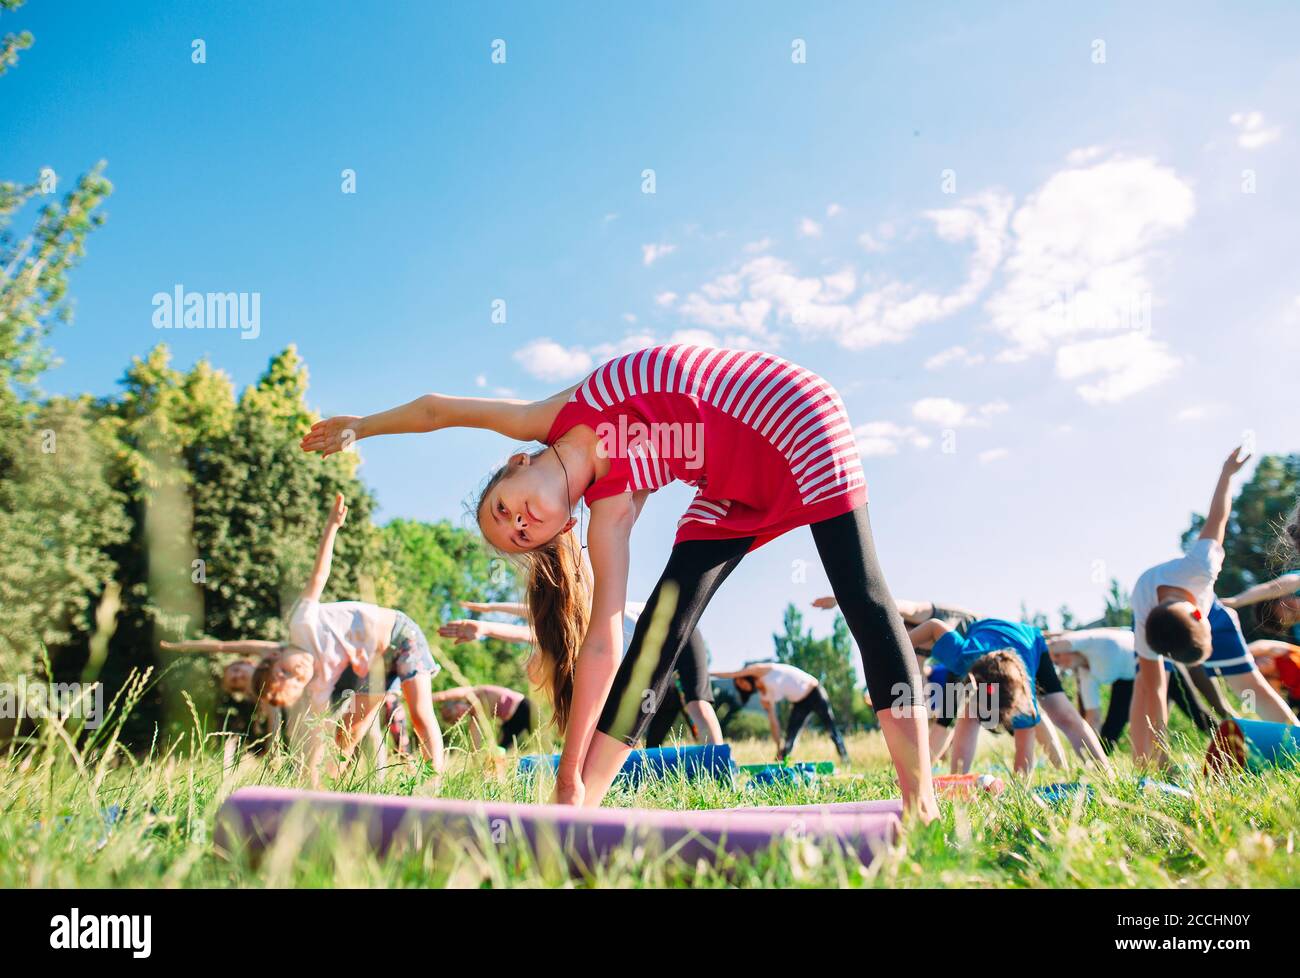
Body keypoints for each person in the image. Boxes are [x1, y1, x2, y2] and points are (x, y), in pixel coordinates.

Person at [302, 344, 938, 817]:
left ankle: (922, 804)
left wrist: (363, 425)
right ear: (559, 531)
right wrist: (567, 779)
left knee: (862, 594)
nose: (518, 522)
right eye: (520, 535)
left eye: (504, 509)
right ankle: (587, 803)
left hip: (790, 413)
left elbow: (440, 410)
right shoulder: (607, 515)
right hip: (731, 487)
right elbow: (605, 648)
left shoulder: (544, 418)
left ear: (515, 466)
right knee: (657, 636)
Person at [170, 493, 444, 779]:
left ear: (277, 655)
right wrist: (310, 775)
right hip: (375, 664)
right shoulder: (319, 684)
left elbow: (318, 577)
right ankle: (326, 794)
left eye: (287, 670)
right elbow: (317, 735)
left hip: (399, 635)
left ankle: (433, 783)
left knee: (419, 713)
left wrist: (332, 528)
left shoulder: (301, 625)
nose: (299, 672)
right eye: (298, 680)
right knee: (346, 736)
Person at [441, 598, 723, 747]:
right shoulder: (586, 666)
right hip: (649, 655)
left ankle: (718, 766)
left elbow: (531, 622)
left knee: (696, 703)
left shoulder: (569, 632)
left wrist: (488, 621)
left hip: (676, 626)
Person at [1129, 448, 1251, 767]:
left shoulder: (1201, 565)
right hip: (1164, 608)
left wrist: (1226, 472)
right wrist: (1163, 760)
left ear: (1201, 617)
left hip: (1206, 597)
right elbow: (1157, 691)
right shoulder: (1144, 617)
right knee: (1145, 686)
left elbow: (1218, 518)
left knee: (1253, 684)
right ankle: (1146, 760)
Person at [908, 616, 1110, 775]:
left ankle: (1105, 773)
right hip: (983, 636)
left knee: (1064, 714)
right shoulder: (962, 656)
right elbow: (933, 626)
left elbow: (1024, 752)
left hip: (1030, 641)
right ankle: (959, 779)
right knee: (967, 717)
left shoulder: (1024, 702)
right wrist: (900, 647)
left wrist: (1018, 791)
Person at [711, 662, 850, 764]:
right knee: (790, 737)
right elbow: (774, 722)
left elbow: (733, 674)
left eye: (741, 681)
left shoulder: (760, 670)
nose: (742, 685)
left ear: (746, 676)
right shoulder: (765, 696)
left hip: (814, 691)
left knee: (831, 728)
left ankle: (845, 758)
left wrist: (708, 673)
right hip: (799, 703)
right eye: (740, 687)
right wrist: (778, 747)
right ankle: (782, 761)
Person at [1047, 627, 1136, 752]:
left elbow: (1056, 644)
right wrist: (1088, 749)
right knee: (1111, 729)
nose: (1060, 662)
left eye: (1058, 655)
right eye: (1055, 663)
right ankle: (1100, 764)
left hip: (1153, 657)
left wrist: (1032, 643)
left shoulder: (1086, 641)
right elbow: (1093, 717)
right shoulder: (1086, 676)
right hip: (1128, 678)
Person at [429, 684, 534, 749]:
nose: (460, 714)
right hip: (511, 722)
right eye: (457, 717)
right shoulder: (475, 717)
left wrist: (423, 698)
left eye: (457, 710)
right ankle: (497, 779)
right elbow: (475, 745)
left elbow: (444, 695)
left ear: (457, 703)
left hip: (523, 707)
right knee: (500, 750)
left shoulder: (472, 693)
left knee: (543, 744)